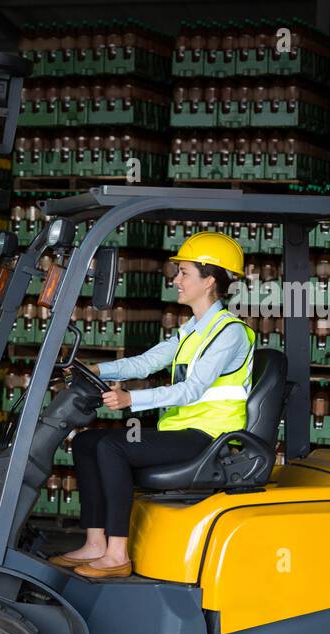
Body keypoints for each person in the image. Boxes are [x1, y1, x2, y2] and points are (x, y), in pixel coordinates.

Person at [51, 231, 255, 580]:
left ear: (209, 280)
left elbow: (191, 390)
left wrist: (132, 400)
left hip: (210, 438)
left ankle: (117, 554)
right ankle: (96, 543)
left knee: (115, 446)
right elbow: (145, 363)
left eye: (184, 273)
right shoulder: (193, 329)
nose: (175, 280)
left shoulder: (229, 332)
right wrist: (94, 368)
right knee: (86, 442)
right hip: (181, 431)